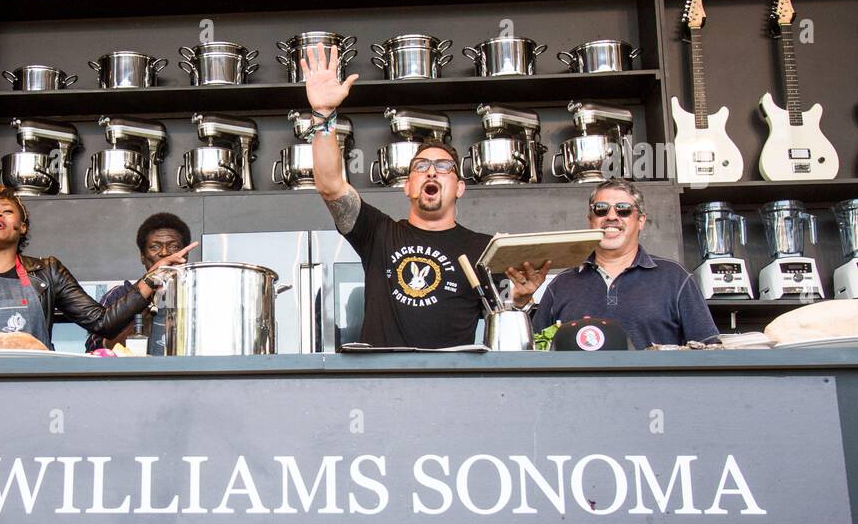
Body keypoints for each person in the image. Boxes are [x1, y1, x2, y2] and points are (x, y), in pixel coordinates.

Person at [303, 44, 542, 348]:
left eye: (444, 167)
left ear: (459, 187)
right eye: (421, 166)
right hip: (381, 382)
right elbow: (330, 185)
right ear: (407, 186)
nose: (432, 172)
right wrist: (323, 115)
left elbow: (502, 326)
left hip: (452, 385)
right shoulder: (379, 233)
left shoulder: (484, 249)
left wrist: (519, 300)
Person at [0, 186, 194, 350]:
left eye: (6, 211)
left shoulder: (47, 272)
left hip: (34, 385)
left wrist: (149, 280)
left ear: (22, 226)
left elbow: (102, 322)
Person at [516, 180, 719, 349]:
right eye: (601, 210)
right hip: (577, 395)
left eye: (623, 210)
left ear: (640, 221)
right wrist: (520, 305)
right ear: (591, 220)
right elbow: (532, 354)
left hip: (654, 395)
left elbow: (709, 352)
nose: (611, 217)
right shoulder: (561, 284)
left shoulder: (675, 278)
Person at [84, 212, 193, 355]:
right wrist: (147, 298)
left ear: (185, 255)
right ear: (143, 256)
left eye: (173, 247)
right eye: (155, 247)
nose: (165, 253)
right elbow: (97, 352)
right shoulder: (118, 295)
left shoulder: (197, 294)